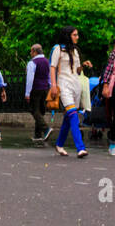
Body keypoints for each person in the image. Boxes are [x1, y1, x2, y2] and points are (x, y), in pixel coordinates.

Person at [50, 28, 90, 158]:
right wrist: (54, 85)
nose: (77, 37)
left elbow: (77, 71)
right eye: (74, 35)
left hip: (75, 85)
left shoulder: (75, 50)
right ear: (68, 35)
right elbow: (52, 68)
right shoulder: (58, 49)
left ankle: (59, 144)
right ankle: (80, 148)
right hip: (63, 84)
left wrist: (83, 65)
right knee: (73, 115)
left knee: (68, 117)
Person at [24, 44, 51, 142]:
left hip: (35, 89)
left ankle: (46, 128)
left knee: (34, 110)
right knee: (40, 111)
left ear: (35, 52)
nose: (31, 53)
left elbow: (29, 79)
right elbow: (49, 77)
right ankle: (37, 135)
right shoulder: (47, 62)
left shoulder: (32, 63)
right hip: (45, 89)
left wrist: (27, 93)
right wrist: (50, 87)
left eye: (31, 51)